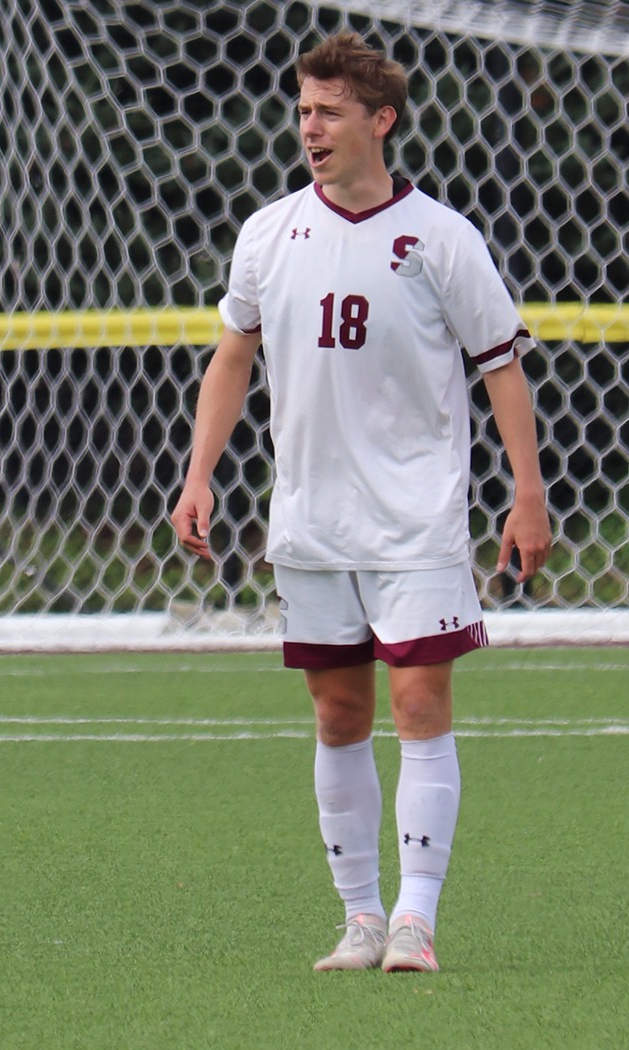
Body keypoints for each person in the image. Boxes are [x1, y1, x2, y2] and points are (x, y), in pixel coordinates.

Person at [169, 30, 552, 973]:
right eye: (303, 110)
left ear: (380, 120)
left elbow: (502, 368)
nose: (311, 127)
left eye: (330, 111)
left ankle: (417, 920)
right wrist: (199, 471)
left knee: (420, 701)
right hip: (310, 523)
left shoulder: (441, 238)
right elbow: (233, 357)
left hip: (418, 519)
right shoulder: (268, 233)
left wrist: (527, 494)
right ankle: (360, 918)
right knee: (339, 714)